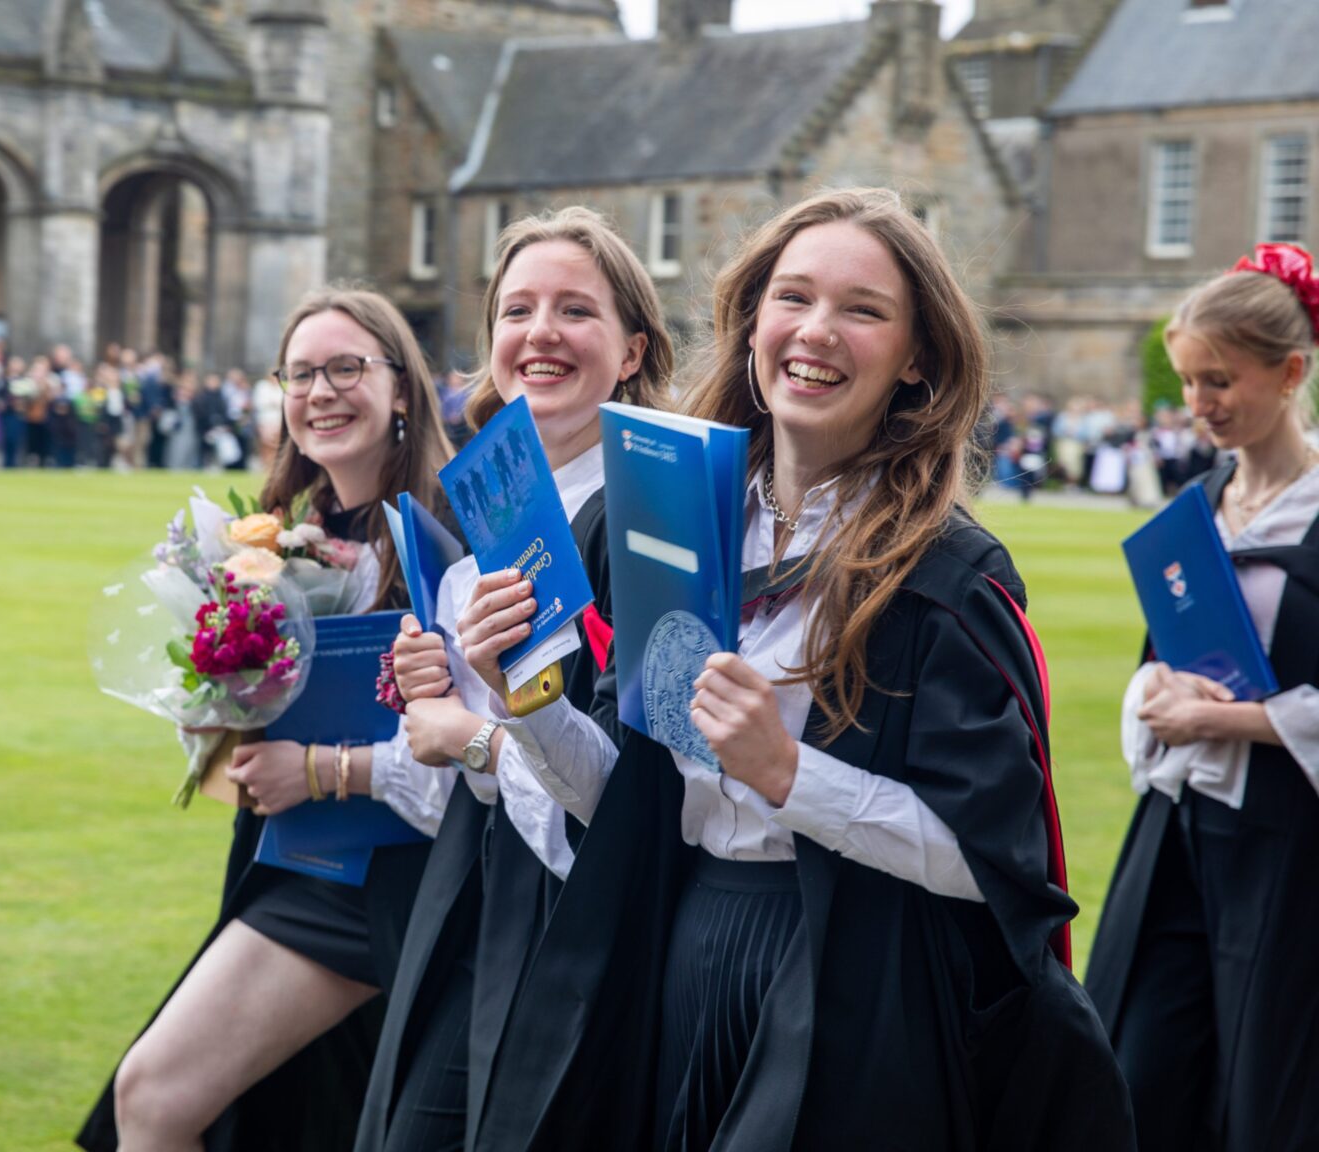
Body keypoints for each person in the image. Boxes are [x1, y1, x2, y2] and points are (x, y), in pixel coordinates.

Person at [449, 189, 1132, 1150]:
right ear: (751, 321)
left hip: (855, 987)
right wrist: (523, 696)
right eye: (792, 297)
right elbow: (630, 798)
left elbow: (993, 866)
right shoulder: (666, 524)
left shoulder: (942, 580)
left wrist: (788, 774)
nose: (816, 331)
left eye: (863, 309)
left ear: (918, 359)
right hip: (686, 952)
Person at [77, 288, 460, 1152]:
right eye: (300, 374)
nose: (320, 391)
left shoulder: (449, 532)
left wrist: (323, 767)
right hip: (291, 852)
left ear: (402, 387)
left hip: (388, 876)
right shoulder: (284, 530)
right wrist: (216, 697)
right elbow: (242, 707)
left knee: (157, 1095)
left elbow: (475, 744)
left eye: (346, 368)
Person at [360, 205, 676, 1152]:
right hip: (478, 895)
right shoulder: (490, 507)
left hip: (588, 924)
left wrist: (477, 732)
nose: (539, 333)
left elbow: (644, 797)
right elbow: (447, 774)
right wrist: (434, 694)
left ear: (632, 350)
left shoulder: (654, 516)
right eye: (516, 310)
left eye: (575, 310)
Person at [1087, 242, 1319, 1152]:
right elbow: (1162, 654)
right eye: (1187, 382)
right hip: (1178, 829)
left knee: (1269, 1092)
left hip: (1289, 849)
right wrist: (1155, 689)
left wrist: (1223, 719)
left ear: (1291, 371)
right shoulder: (1203, 500)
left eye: (1218, 380)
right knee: (1140, 1070)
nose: (1198, 405)